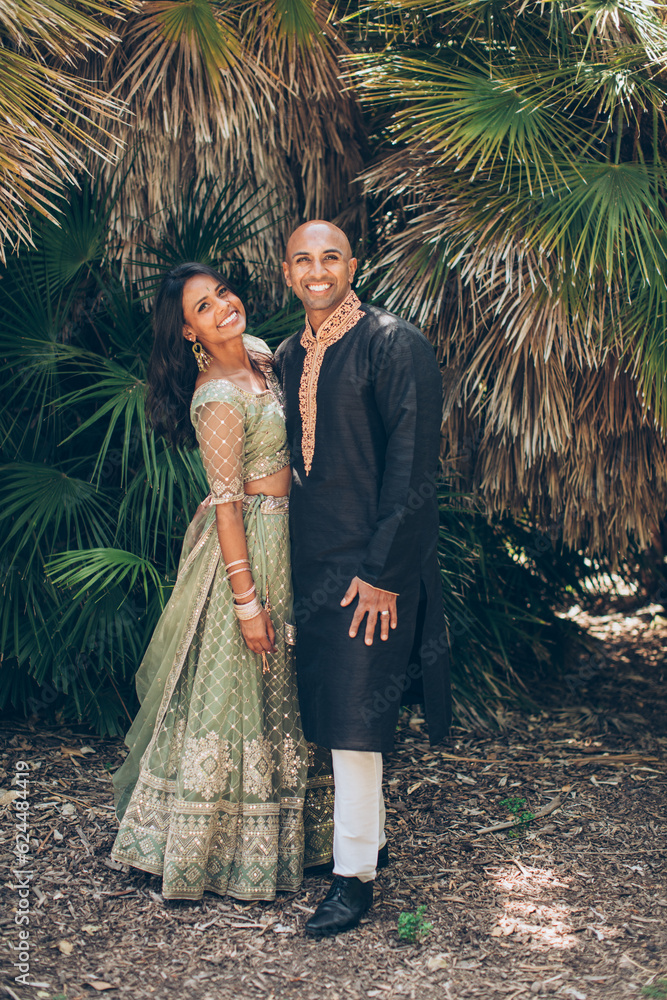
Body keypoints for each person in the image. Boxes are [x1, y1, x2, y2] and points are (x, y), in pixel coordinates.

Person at [110, 262, 333, 901]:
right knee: (237, 686)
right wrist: (245, 601)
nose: (222, 308)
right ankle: (215, 847)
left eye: (223, 294)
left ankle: (297, 838)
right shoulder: (214, 396)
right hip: (251, 547)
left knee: (282, 690)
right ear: (188, 332)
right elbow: (227, 502)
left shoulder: (263, 356)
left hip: (293, 535)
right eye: (203, 307)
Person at [275, 222, 451, 936]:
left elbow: (413, 466)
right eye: (303, 260)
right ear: (286, 272)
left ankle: (353, 881)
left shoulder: (392, 342)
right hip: (312, 562)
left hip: (375, 567)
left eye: (330, 258)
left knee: (355, 719)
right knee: (333, 711)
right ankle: (365, 841)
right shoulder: (289, 353)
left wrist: (382, 574)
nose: (317, 271)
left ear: (353, 264)